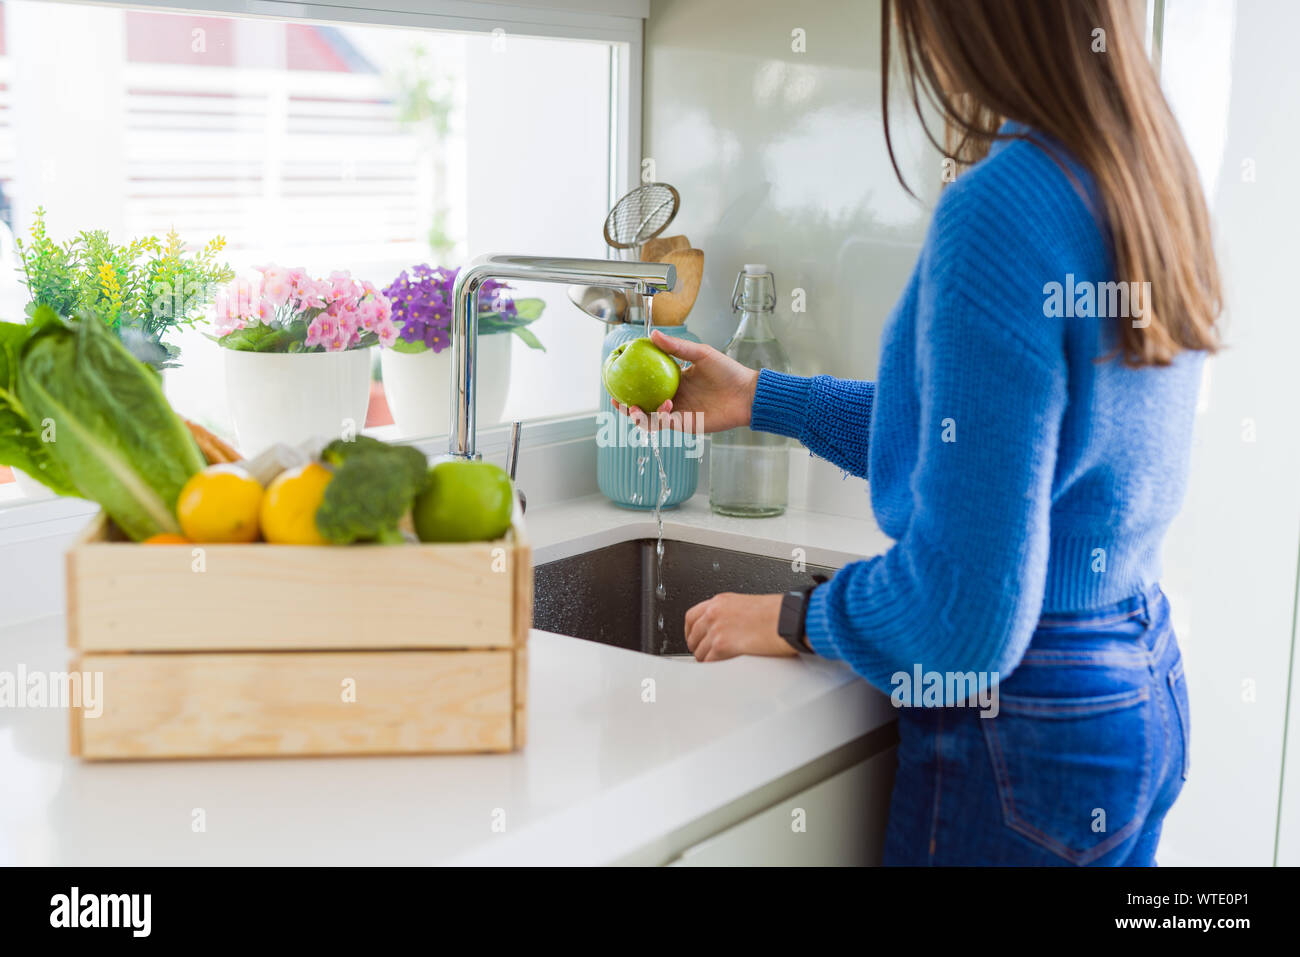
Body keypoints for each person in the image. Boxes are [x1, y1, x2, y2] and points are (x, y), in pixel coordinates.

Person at [619, 0, 1220, 865]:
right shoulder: (1140, 167)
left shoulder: (1000, 206)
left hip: (1024, 729)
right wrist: (759, 396)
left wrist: (792, 617)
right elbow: (983, 446)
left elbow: (963, 616)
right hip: (1132, 689)